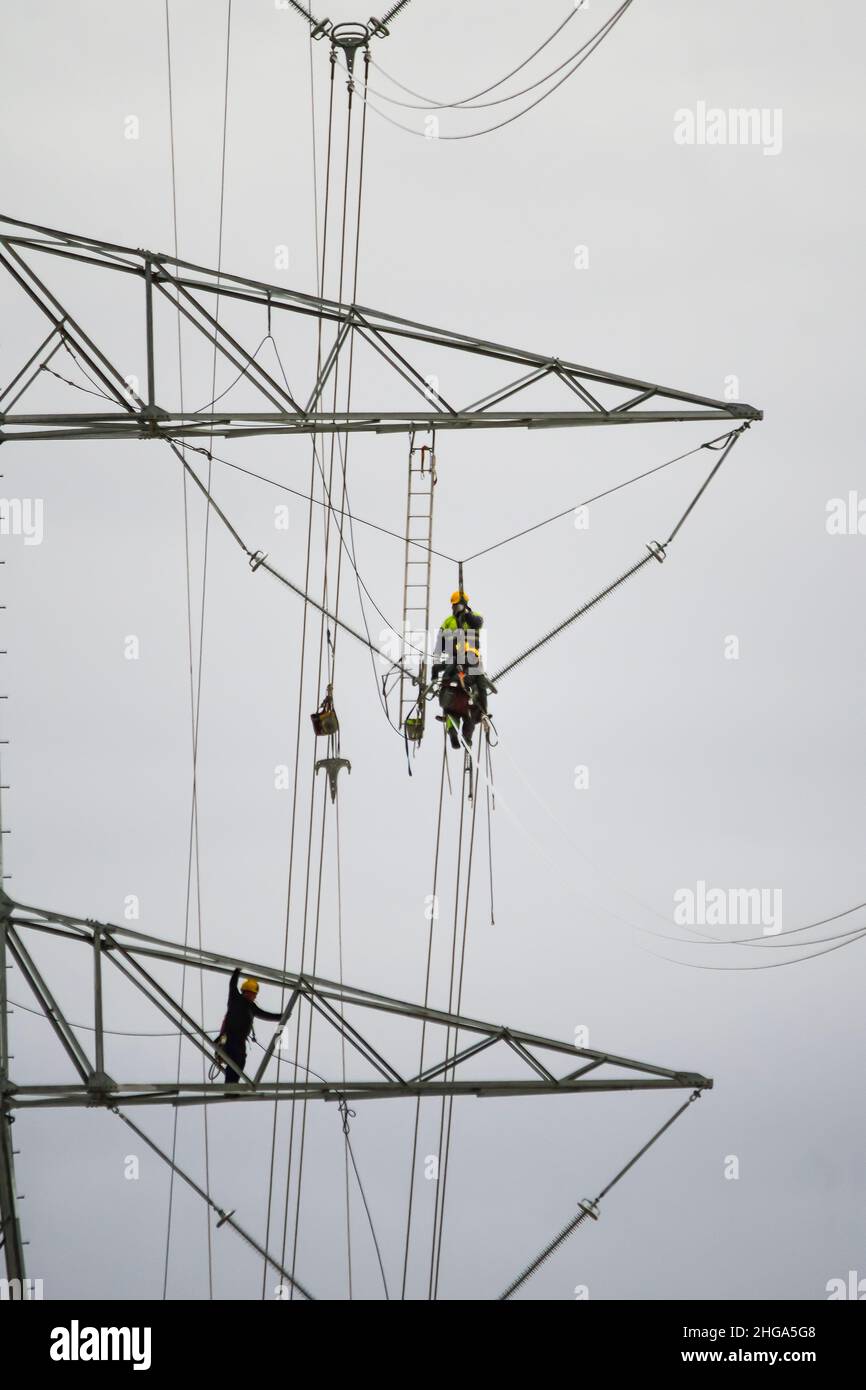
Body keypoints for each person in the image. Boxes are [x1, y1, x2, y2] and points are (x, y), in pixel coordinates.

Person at [431, 591, 494, 749]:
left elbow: (478, 622)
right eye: (454, 605)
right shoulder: (448, 622)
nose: (455, 607)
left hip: (470, 661)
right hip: (458, 662)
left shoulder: (473, 617)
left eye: (457, 605)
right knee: (461, 706)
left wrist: (466, 616)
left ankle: (465, 736)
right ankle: (456, 733)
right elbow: (440, 645)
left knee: (458, 705)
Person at [217, 970, 283, 1086]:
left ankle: (231, 1087)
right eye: (253, 994)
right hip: (230, 1039)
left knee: (239, 1062)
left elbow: (265, 1015)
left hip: (237, 1041)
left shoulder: (248, 1005)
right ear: (249, 993)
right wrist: (237, 971)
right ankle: (230, 1087)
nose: (254, 996)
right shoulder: (237, 998)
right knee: (236, 1061)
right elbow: (232, 984)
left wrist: (281, 1017)